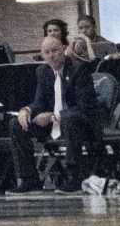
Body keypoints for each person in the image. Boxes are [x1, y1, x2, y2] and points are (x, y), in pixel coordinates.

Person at [13, 34, 106, 191]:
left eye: (55, 51)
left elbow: (83, 106)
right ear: (42, 55)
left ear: (63, 49)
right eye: (47, 52)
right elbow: (39, 102)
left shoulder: (79, 69)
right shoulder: (42, 71)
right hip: (54, 124)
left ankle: (74, 177)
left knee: (69, 119)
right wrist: (26, 110)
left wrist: (54, 117)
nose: (51, 56)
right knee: (16, 124)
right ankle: (29, 179)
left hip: (83, 123)